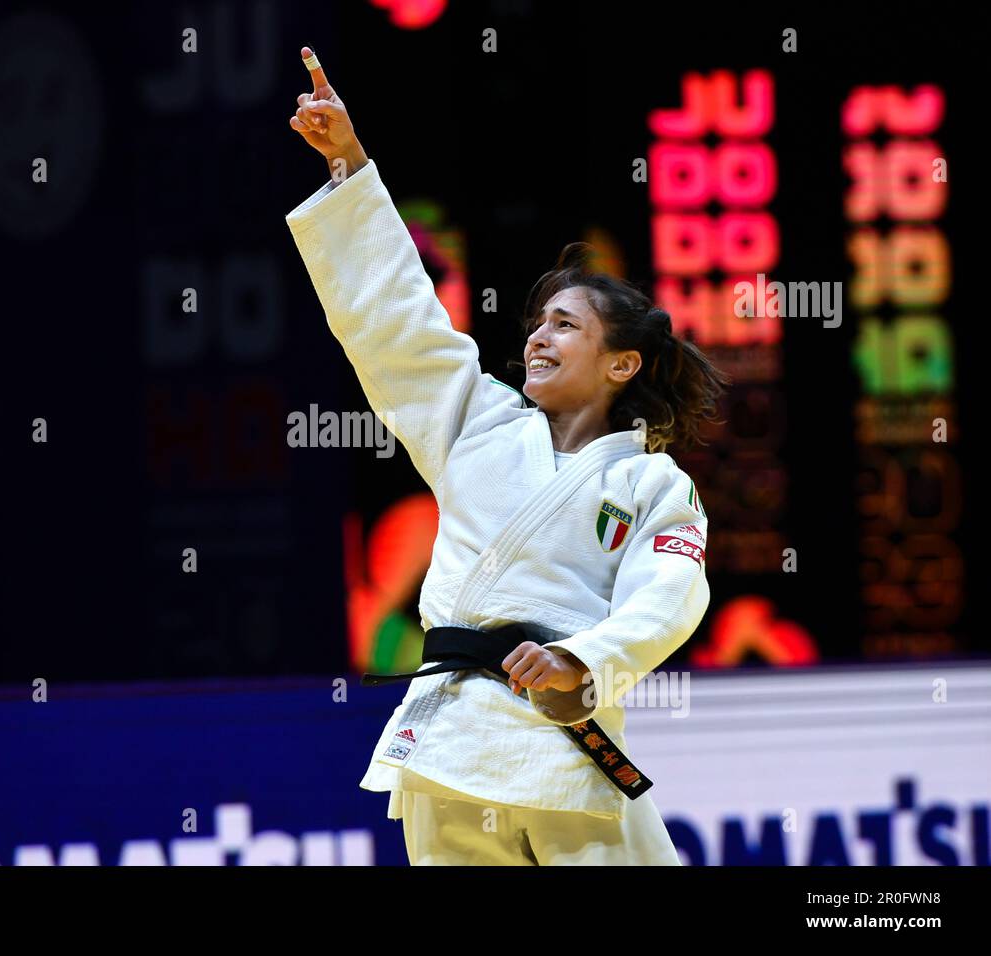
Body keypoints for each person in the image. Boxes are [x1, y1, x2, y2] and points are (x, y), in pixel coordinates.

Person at [286, 47, 730, 865]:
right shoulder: (477, 426)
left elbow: (672, 592)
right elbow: (396, 324)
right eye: (537, 321)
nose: (538, 335)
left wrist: (580, 658)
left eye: (566, 324)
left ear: (621, 364)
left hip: (560, 740)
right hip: (449, 743)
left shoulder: (651, 483)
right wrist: (349, 163)